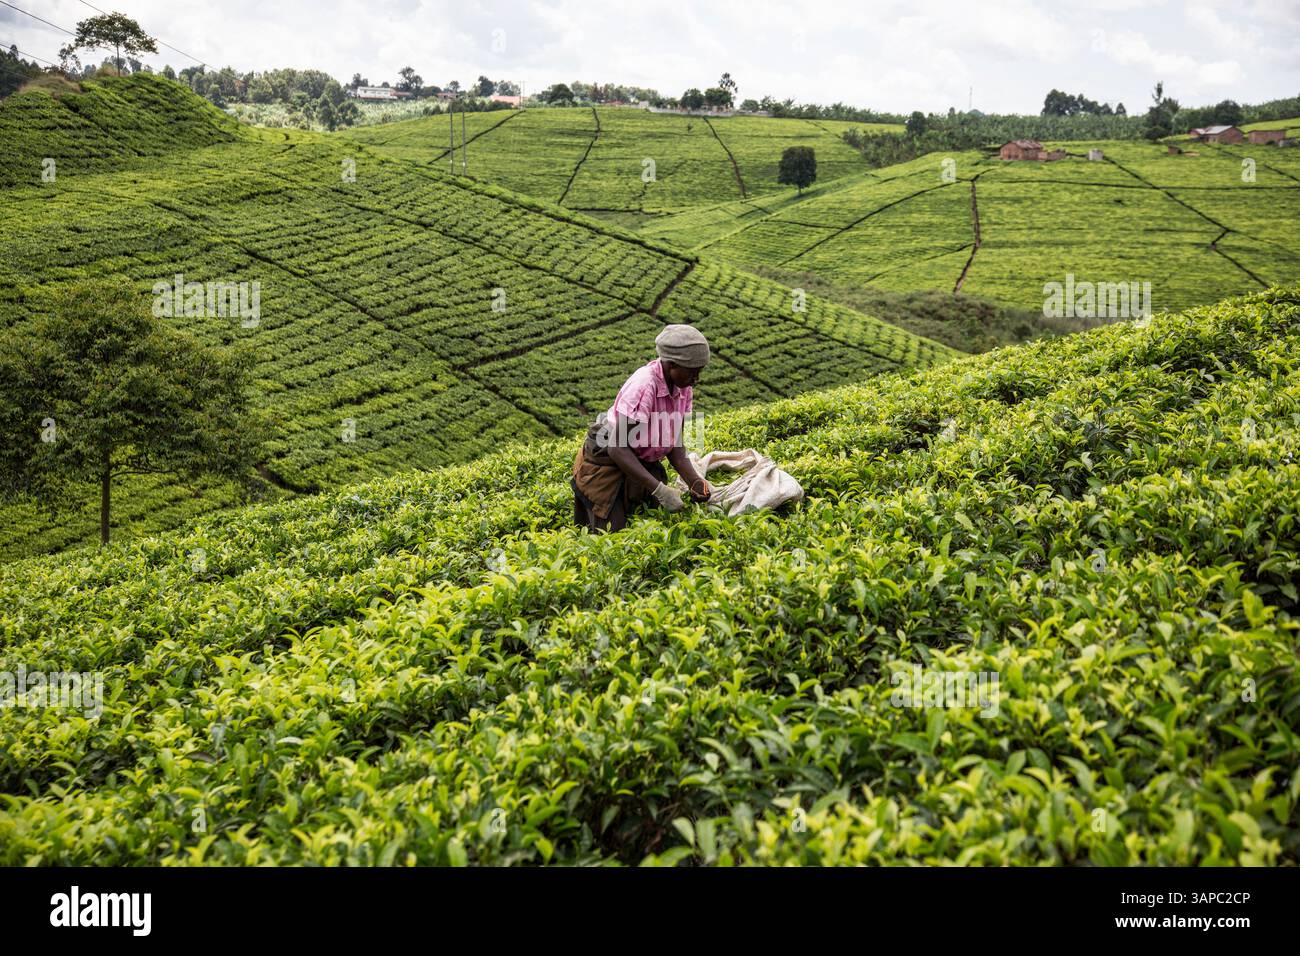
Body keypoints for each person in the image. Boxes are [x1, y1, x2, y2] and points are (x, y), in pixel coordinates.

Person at [572, 324, 713, 533]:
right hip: (609, 458)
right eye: (692, 372)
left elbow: (675, 444)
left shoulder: (684, 389)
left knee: (653, 523)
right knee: (612, 533)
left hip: (639, 457)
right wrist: (659, 490)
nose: (696, 379)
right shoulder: (644, 385)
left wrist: (694, 481)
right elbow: (617, 448)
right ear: (672, 364)